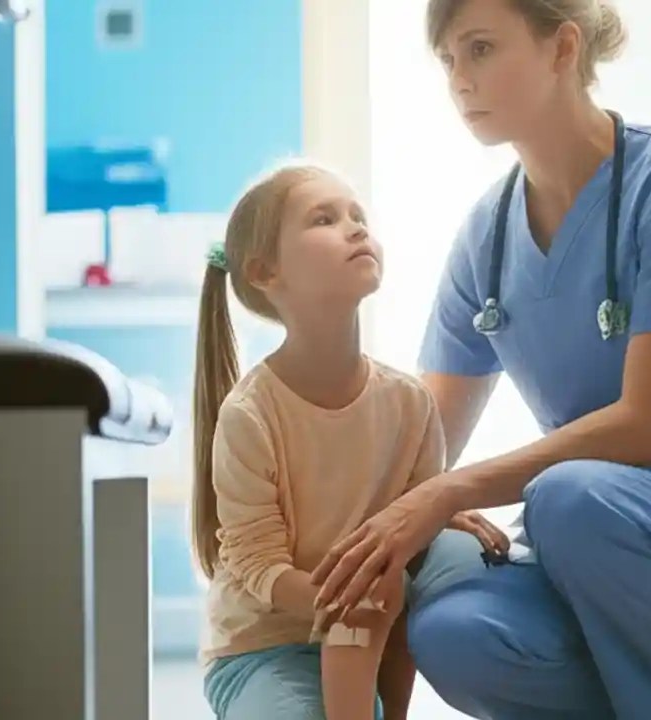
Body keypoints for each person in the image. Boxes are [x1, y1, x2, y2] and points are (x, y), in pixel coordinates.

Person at [309, 1, 651, 719]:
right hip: (596, 546)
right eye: (447, 60)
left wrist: (444, 495)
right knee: (455, 634)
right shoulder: (487, 239)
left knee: (567, 497)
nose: (459, 80)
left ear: (562, 49)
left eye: (481, 49)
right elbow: (421, 447)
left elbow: (644, 430)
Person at [191, 163, 508, 720]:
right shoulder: (251, 415)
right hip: (264, 649)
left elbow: (408, 524)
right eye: (325, 218)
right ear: (265, 272)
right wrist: (346, 607)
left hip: (366, 634)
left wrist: (442, 513)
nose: (356, 228)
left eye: (358, 216)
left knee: (456, 549)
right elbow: (259, 565)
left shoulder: (409, 405)